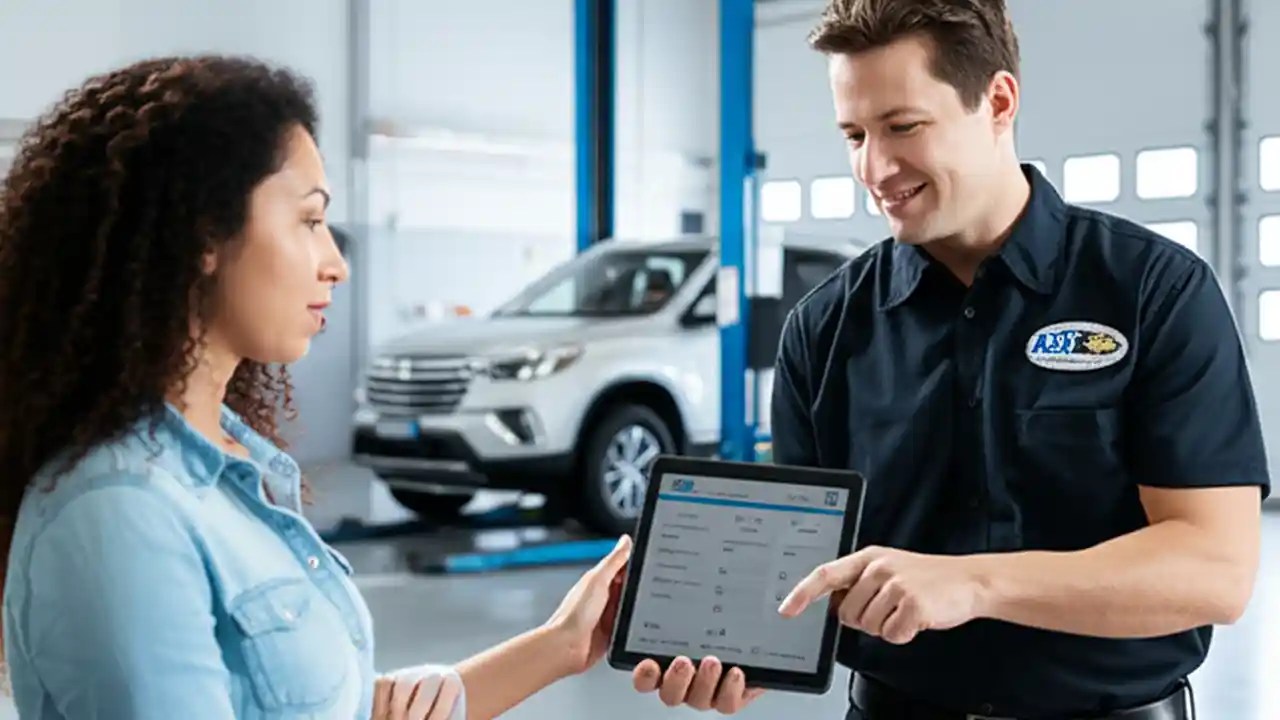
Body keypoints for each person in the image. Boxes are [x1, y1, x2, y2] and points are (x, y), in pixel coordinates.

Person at [632, 1, 1270, 718]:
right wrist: (738, 645)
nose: (874, 167)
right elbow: (802, 567)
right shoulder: (822, 328)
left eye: (903, 127)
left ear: (997, 101)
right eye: (854, 134)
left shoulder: (1154, 291)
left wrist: (973, 583)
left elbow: (1214, 571)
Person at [0, 54, 633, 720]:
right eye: (308, 220)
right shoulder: (120, 513)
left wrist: (561, 645)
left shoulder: (238, 468)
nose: (335, 264)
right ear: (202, 234)